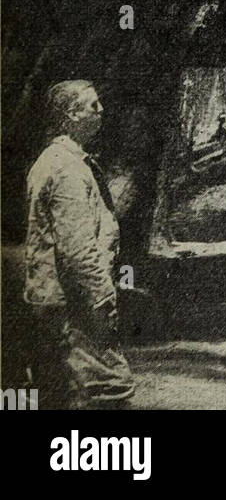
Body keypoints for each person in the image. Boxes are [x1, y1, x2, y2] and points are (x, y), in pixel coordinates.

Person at [24, 80, 134, 409]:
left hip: (62, 300)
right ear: (72, 114)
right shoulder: (66, 168)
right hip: (76, 303)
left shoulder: (61, 161)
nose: (101, 112)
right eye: (93, 106)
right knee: (106, 387)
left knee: (62, 389)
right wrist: (102, 299)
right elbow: (78, 250)